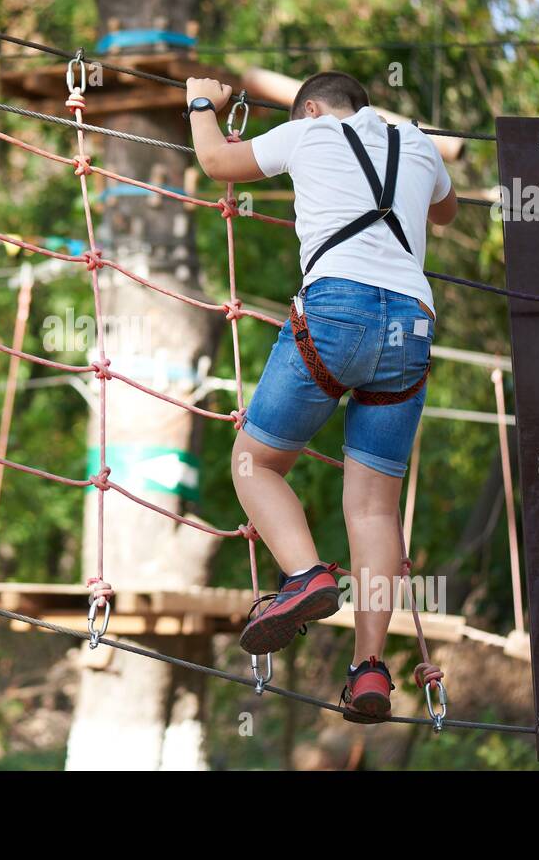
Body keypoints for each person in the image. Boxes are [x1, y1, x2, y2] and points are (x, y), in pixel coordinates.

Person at [184, 71, 458, 720]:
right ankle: (369, 668)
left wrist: (203, 102)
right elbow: (444, 211)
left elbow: (214, 160)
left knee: (254, 462)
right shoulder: (416, 142)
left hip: (337, 312)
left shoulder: (307, 133)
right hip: (412, 327)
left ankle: (306, 574)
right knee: (374, 511)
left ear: (312, 107)